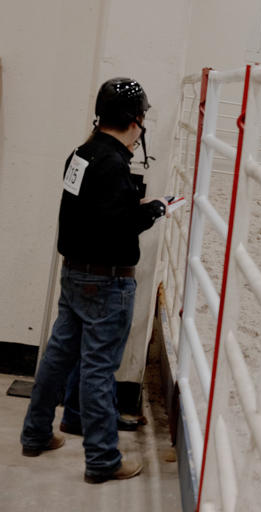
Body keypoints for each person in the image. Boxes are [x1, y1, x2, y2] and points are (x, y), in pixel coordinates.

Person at [20, 77, 169, 484]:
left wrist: (131, 205)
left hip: (74, 273)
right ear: (135, 120)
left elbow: (91, 212)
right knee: (99, 369)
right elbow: (120, 225)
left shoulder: (81, 154)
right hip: (106, 282)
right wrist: (155, 208)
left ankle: (35, 432)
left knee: (57, 357)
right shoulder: (114, 164)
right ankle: (103, 459)